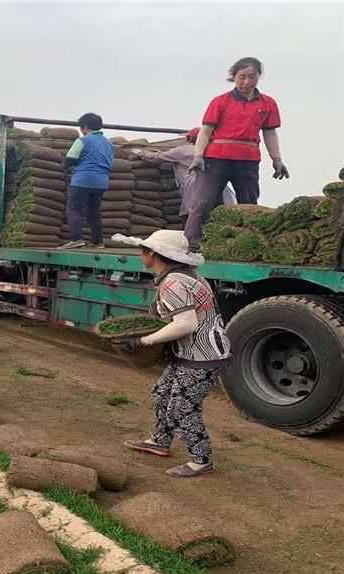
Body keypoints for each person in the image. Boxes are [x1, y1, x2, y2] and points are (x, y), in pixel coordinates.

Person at [111, 229, 231, 477]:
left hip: (203, 357)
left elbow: (186, 324)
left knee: (182, 409)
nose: (141, 255)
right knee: (161, 394)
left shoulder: (174, 282)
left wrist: (144, 341)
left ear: (153, 254)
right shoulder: (184, 276)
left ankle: (201, 460)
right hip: (190, 353)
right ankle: (159, 441)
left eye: (143, 251)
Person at [184, 56, 289, 251]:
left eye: (252, 77)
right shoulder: (220, 101)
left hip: (248, 161)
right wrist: (198, 156)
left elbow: (270, 133)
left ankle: (251, 245)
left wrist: (277, 159)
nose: (247, 82)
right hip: (216, 159)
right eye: (242, 77)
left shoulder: (268, 103)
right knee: (203, 203)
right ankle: (191, 243)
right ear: (233, 77)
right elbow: (205, 131)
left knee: (249, 204)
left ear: (259, 77)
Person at [132, 128, 236, 228]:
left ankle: (193, 242)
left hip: (195, 189)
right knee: (220, 218)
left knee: (193, 219)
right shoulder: (212, 151)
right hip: (219, 188)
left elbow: (158, 157)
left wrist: (140, 153)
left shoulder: (183, 151)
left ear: (190, 138)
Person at [58, 112, 114, 250]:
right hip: (101, 182)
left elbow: (70, 159)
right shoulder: (109, 143)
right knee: (93, 212)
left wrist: (64, 165)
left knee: (73, 209)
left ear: (85, 127)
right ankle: (97, 241)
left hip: (83, 180)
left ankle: (76, 239)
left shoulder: (83, 141)